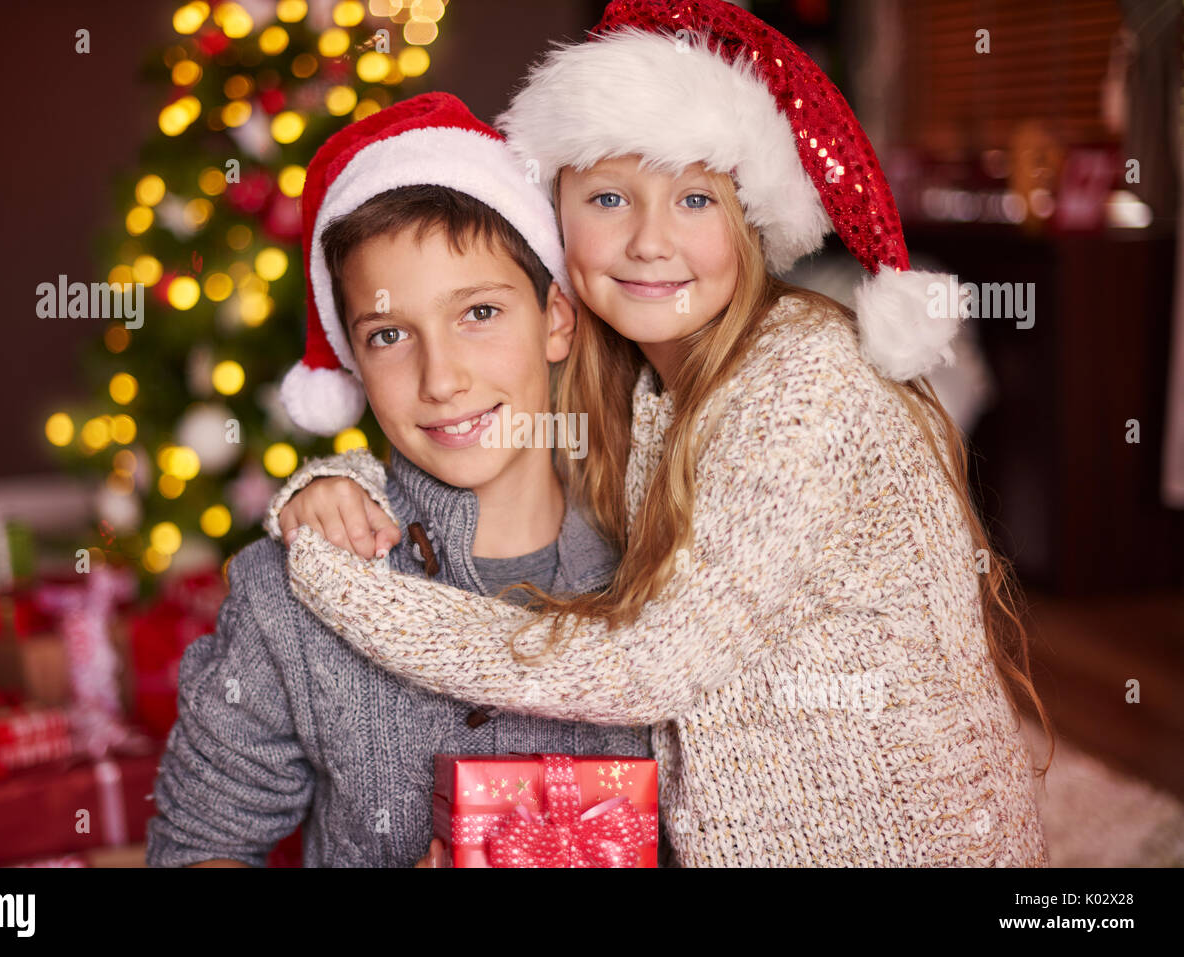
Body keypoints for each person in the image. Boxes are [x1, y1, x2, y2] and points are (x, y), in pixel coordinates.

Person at [270, 1, 1055, 867]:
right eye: (609, 196)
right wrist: (334, 484)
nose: (649, 241)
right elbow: (459, 412)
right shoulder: (636, 382)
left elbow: (653, 663)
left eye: (693, 197)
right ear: (556, 214)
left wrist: (342, 584)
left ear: (751, 218)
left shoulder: (805, 377)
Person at [145, 92, 657, 868]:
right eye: (389, 334)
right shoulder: (297, 592)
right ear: (351, 357)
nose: (441, 379)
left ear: (556, 318)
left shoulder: (667, 562)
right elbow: (195, 849)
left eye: (478, 312)